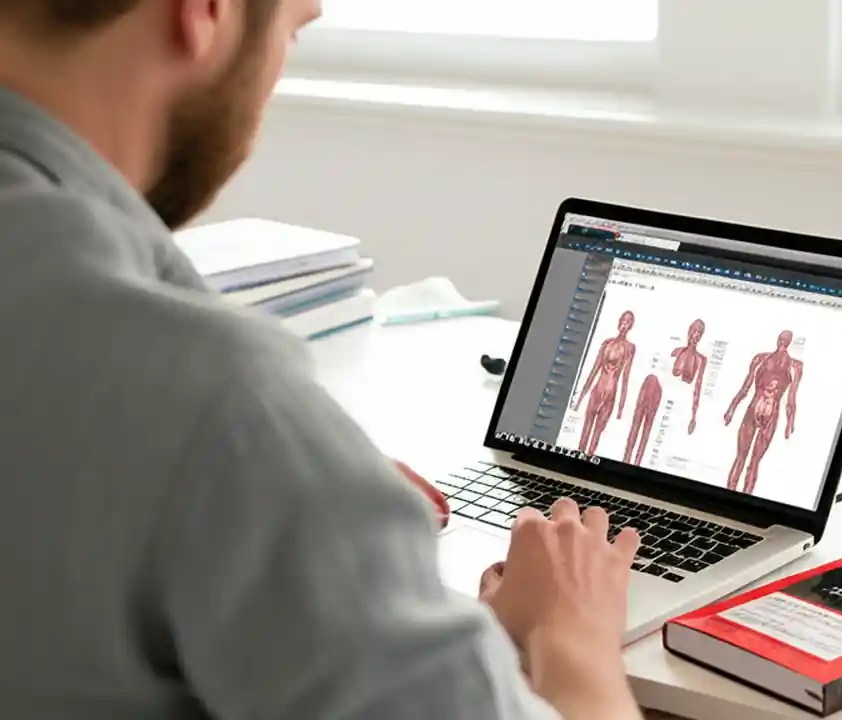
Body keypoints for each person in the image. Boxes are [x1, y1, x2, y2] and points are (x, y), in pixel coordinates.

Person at [0, 1, 642, 719]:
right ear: (205, 11)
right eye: (293, 30)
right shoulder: (221, 403)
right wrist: (574, 637)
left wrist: (308, 483)